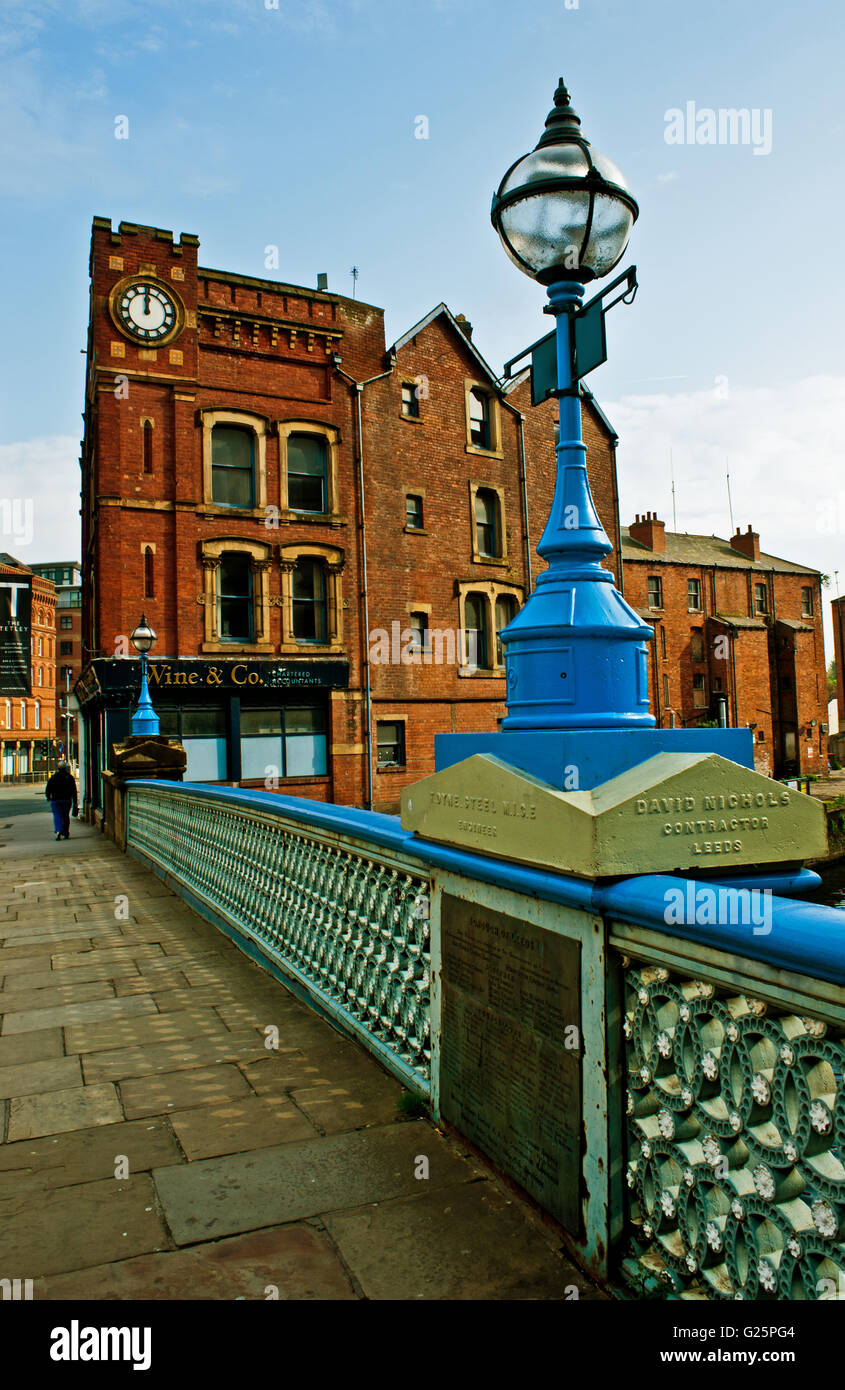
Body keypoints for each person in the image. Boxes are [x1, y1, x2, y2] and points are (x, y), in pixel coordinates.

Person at [45, 762, 79, 841]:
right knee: (65, 816)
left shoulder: (53, 777)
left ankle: (58, 830)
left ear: (58, 768)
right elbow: (73, 790)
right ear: (65, 768)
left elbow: (48, 788)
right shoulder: (70, 777)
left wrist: (48, 796)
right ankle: (65, 832)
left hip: (56, 800)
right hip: (67, 800)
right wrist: (75, 801)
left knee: (57, 815)